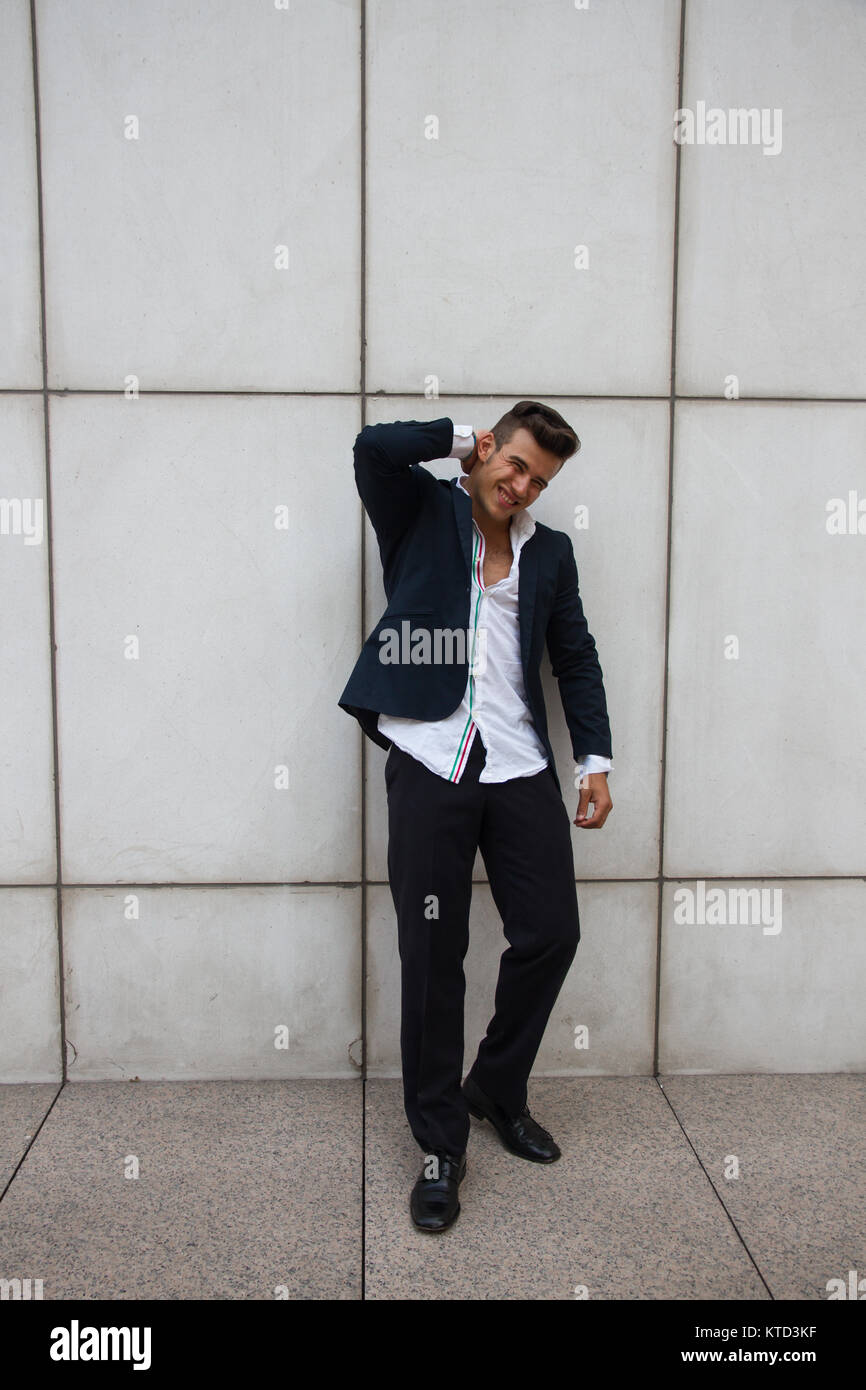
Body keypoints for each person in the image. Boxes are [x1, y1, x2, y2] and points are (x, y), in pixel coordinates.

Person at [338, 402, 613, 1232]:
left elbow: (574, 656)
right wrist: (457, 441)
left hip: (518, 761)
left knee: (551, 932)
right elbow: (372, 448)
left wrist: (594, 760)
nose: (521, 486)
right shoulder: (419, 509)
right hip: (432, 757)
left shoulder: (549, 552)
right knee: (433, 953)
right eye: (515, 464)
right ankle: (439, 1145)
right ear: (491, 450)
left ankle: (495, 1084)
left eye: (539, 480)